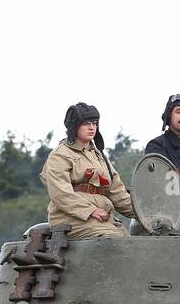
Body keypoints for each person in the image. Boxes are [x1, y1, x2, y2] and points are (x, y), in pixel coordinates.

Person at [41, 102, 137, 238]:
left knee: (134, 243)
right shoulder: (60, 154)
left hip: (102, 218)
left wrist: (145, 213)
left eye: (95, 123)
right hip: (72, 220)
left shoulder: (99, 156)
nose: (92, 127)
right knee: (116, 242)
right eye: (86, 123)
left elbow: (117, 194)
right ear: (74, 126)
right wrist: (90, 210)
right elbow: (60, 193)